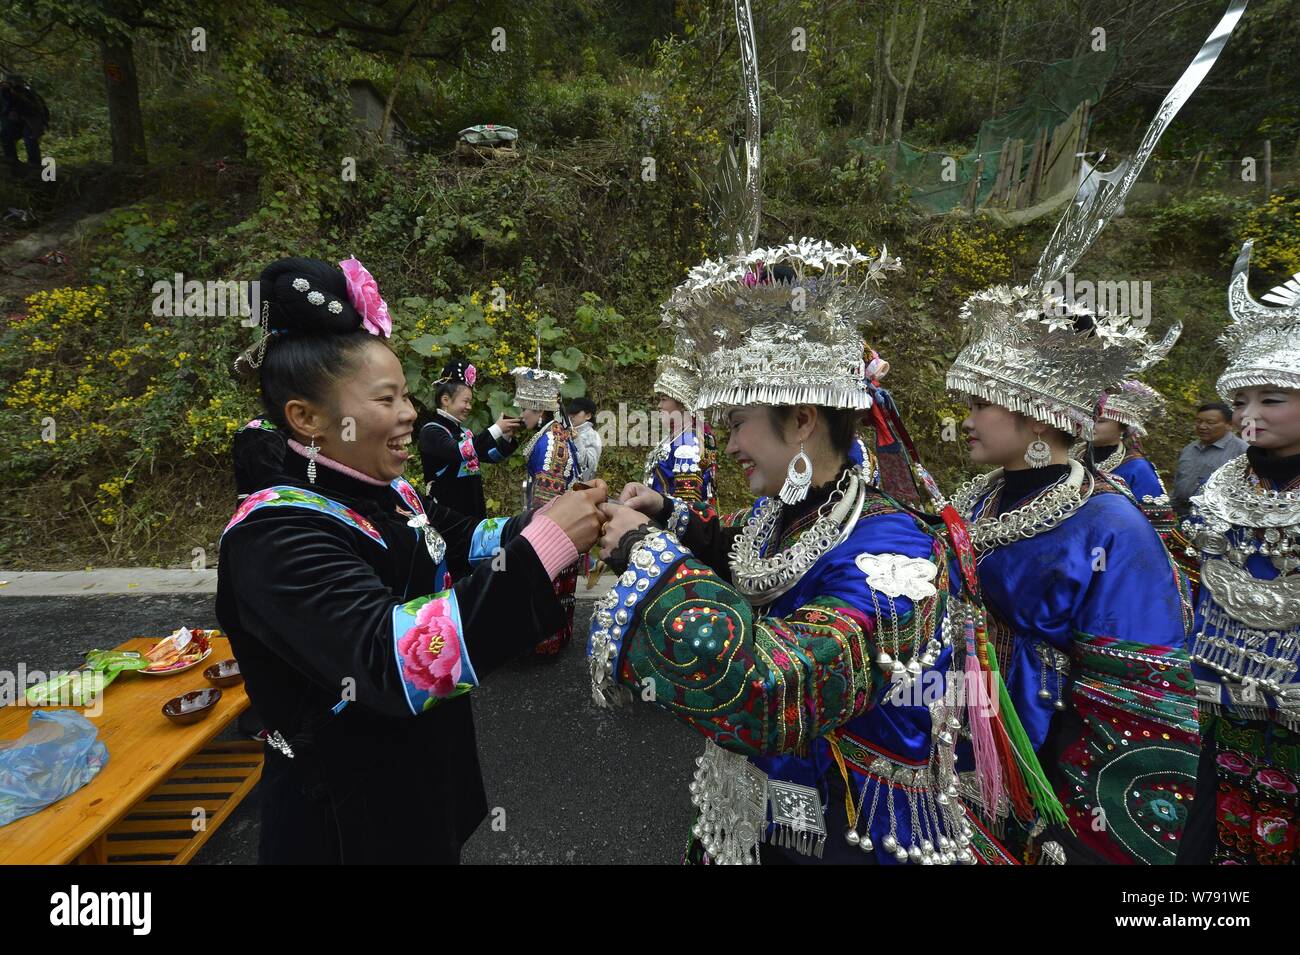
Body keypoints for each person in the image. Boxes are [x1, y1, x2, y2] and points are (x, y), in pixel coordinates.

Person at [589, 240, 1045, 865]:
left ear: (801, 419)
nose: (726, 445)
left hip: (847, 825)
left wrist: (646, 556)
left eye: (737, 422)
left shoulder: (896, 556)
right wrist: (671, 520)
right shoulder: (789, 506)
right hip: (766, 798)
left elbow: (776, 688)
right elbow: (755, 561)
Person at [216, 256, 607, 863]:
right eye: (386, 399)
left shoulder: (386, 490)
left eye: (406, 395)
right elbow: (392, 657)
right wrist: (547, 545)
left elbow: (465, 537)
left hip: (418, 778)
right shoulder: (274, 535)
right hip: (344, 820)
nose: (409, 415)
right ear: (307, 418)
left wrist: (551, 520)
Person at [1178, 242, 1300, 865]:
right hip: (1224, 693)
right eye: (1242, 401)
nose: (1250, 416)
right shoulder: (1226, 483)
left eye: (1271, 400)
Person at [514, 366, 582, 656]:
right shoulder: (551, 434)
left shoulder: (551, 442)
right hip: (556, 520)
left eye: (524, 410)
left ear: (539, 410)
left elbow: (547, 495)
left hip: (551, 524)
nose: (521, 416)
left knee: (545, 580)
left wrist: (535, 530)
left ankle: (545, 643)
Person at [419, 358, 521, 522]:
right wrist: (496, 428)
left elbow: (491, 456)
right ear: (445, 400)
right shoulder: (431, 431)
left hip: (473, 508)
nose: (469, 407)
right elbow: (459, 451)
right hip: (447, 513)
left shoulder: (465, 432)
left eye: (470, 402)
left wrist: (506, 436)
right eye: (465, 401)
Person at [642, 354, 717, 507]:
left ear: (682, 405)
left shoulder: (687, 442)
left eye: (664, 400)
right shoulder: (678, 436)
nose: (659, 406)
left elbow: (687, 504)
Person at [1172, 402, 1247, 519]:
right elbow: (1179, 481)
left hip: (1215, 519)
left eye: (1210, 422)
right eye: (1198, 421)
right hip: (1179, 513)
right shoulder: (1189, 449)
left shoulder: (1243, 452)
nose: (1202, 426)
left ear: (1229, 424)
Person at [0, 75, 48, 172]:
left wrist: (21, 98)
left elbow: (38, 112)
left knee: (29, 136)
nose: (14, 88)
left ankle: (34, 165)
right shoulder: (3, 94)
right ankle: (11, 160)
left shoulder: (28, 93)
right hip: (12, 124)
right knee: (5, 133)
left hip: (30, 123)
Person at [566, 396, 602, 482]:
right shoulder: (566, 430)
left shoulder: (593, 436)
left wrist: (577, 440)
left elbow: (589, 465)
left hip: (579, 486)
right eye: (570, 412)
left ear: (588, 416)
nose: (571, 416)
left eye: (575, 412)